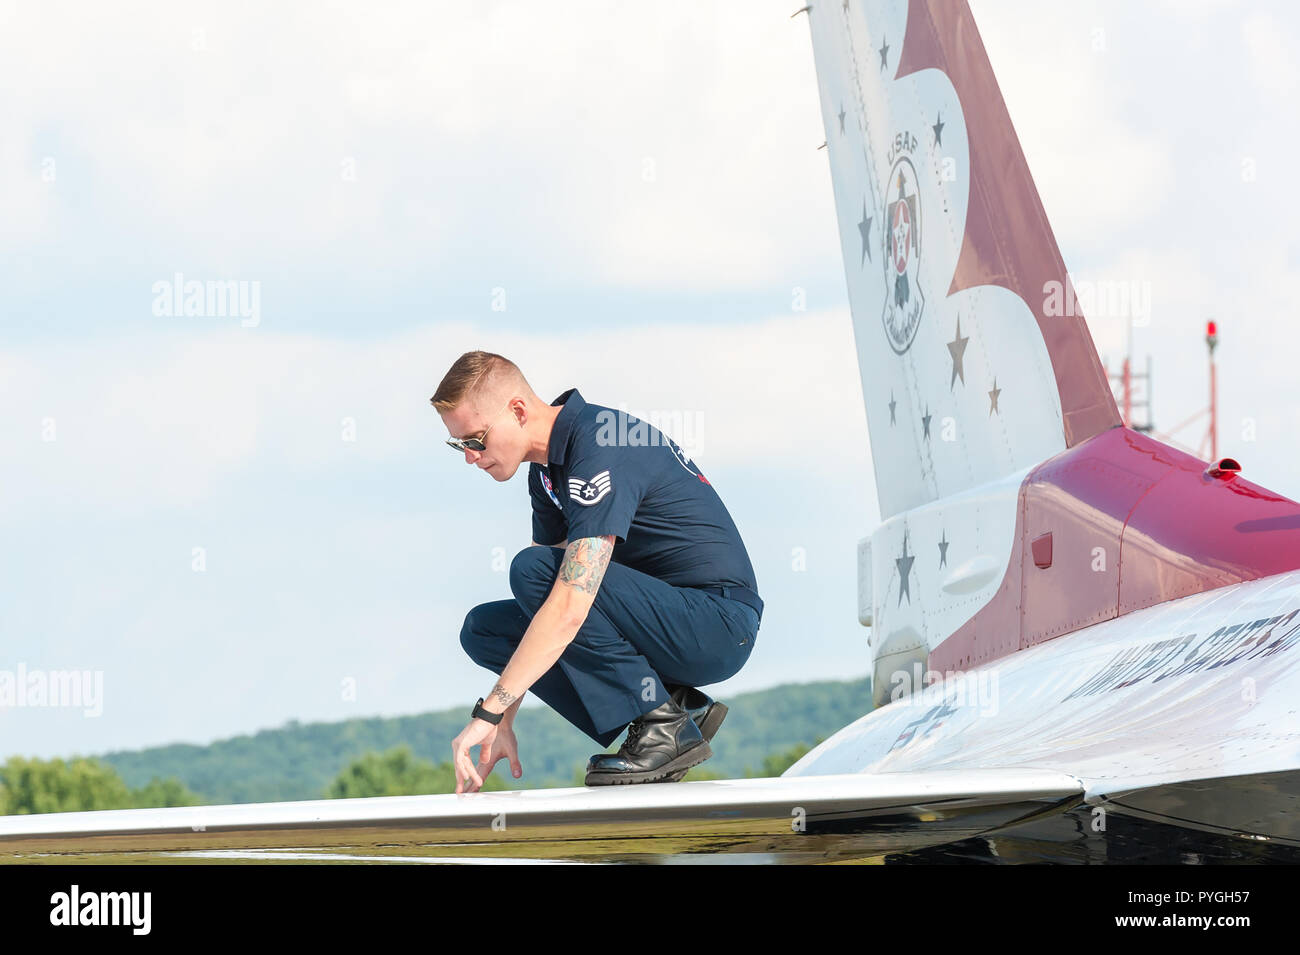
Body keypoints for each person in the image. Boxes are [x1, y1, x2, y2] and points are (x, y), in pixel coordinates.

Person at [431, 350, 764, 792]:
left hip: (718, 623)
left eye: (476, 440)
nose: (471, 457)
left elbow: (568, 600)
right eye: (460, 446)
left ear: (516, 410)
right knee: (484, 629)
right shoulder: (548, 472)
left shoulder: (602, 443)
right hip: (668, 621)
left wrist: (489, 710)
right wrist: (504, 720)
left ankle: (661, 724)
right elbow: (543, 608)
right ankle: (670, 706)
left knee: (533, 571)